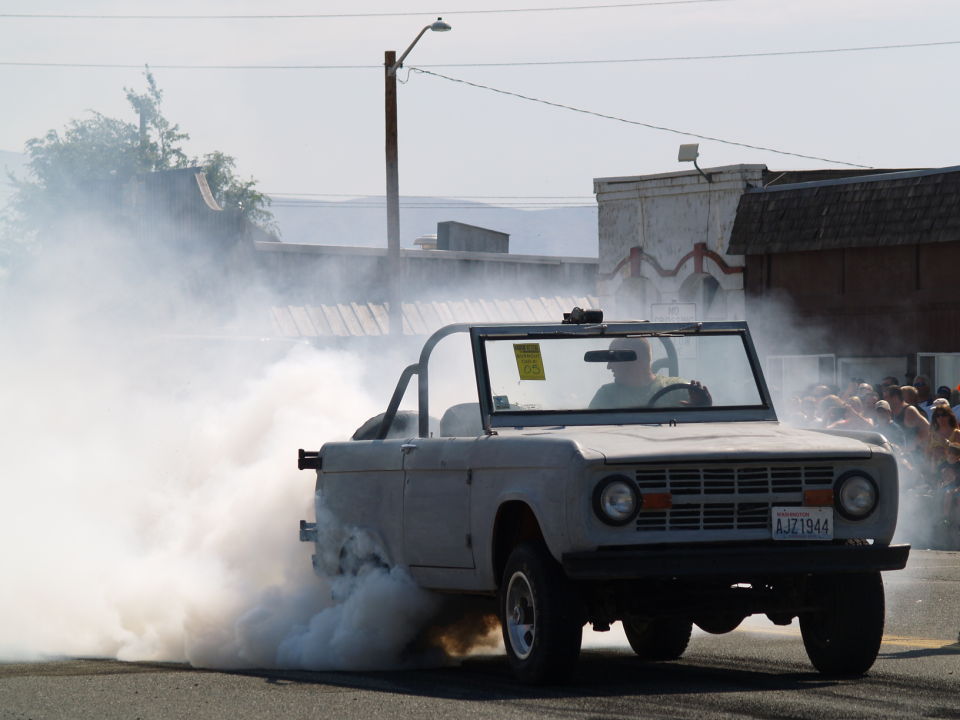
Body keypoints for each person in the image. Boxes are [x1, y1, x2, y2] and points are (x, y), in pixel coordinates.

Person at [589, 336, 711, 409]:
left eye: (614, 359)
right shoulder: (607, 394)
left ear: (637, 361)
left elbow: (701, 427)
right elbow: (591, 429)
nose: (609, 366)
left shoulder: (678, 389)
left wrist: (703, 406)